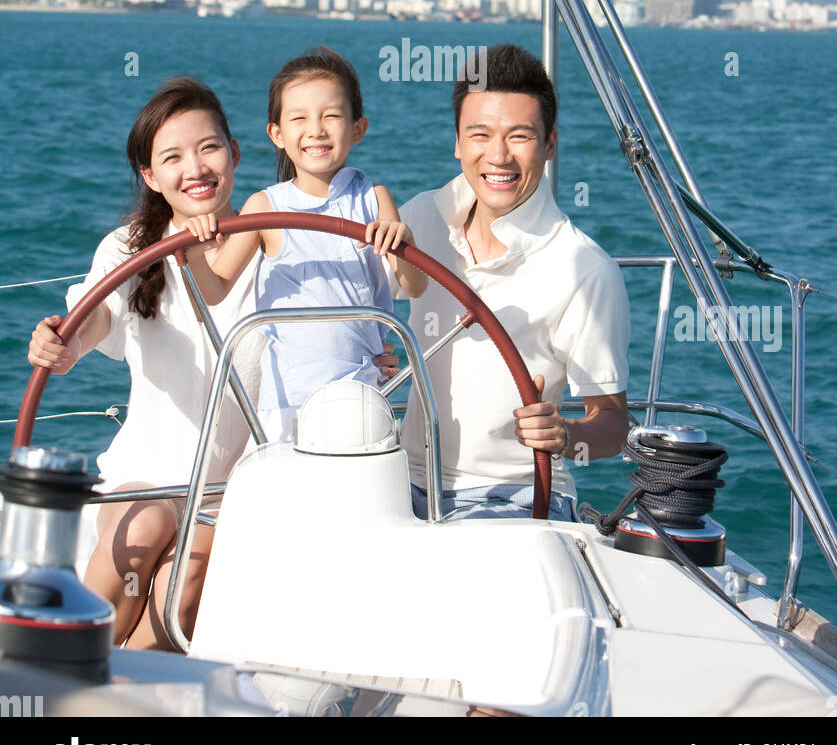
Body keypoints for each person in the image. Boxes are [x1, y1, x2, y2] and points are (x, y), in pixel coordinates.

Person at [27, 75, 397, 649]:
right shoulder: (129, 249)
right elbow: (95, 318)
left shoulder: (278, 242)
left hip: (234, 488)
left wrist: (376, 348)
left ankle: (125, 687)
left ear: (236, 153)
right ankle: (57, 660)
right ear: (151, 177)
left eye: (208, 148)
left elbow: (336, 331)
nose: (195, 168)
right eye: (172, 157)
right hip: (145, 473)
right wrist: (63, 343)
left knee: (190, 574)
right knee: (145, 525)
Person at [393, 44, 630, 522]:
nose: (497, 156)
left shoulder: (584, 267)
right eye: (479, 134)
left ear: (550, 143)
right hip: (401, 481)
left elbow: (613, 426)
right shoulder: (421, 216)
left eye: (519, 136)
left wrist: (565, 435)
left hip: (516, 495)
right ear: (457, 142)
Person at [181, 47, 427, 442]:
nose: (316, 129)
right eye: (299, 118)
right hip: (288, 401)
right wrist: (193, 249)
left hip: (364, 393)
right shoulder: (265, 206)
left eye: (331, 116)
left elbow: (415, 286)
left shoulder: (374, 198)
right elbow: (214, 290)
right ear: (277, 134)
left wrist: (405, 242)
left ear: (358, 128)